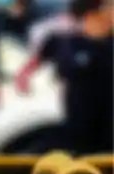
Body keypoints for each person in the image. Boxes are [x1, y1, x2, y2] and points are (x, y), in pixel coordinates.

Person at [21, 0, 113, 154]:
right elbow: (34, 62)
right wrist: (24, 77)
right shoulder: (65, 43)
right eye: (110, 7)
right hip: (78, 134)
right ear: (93, 14)